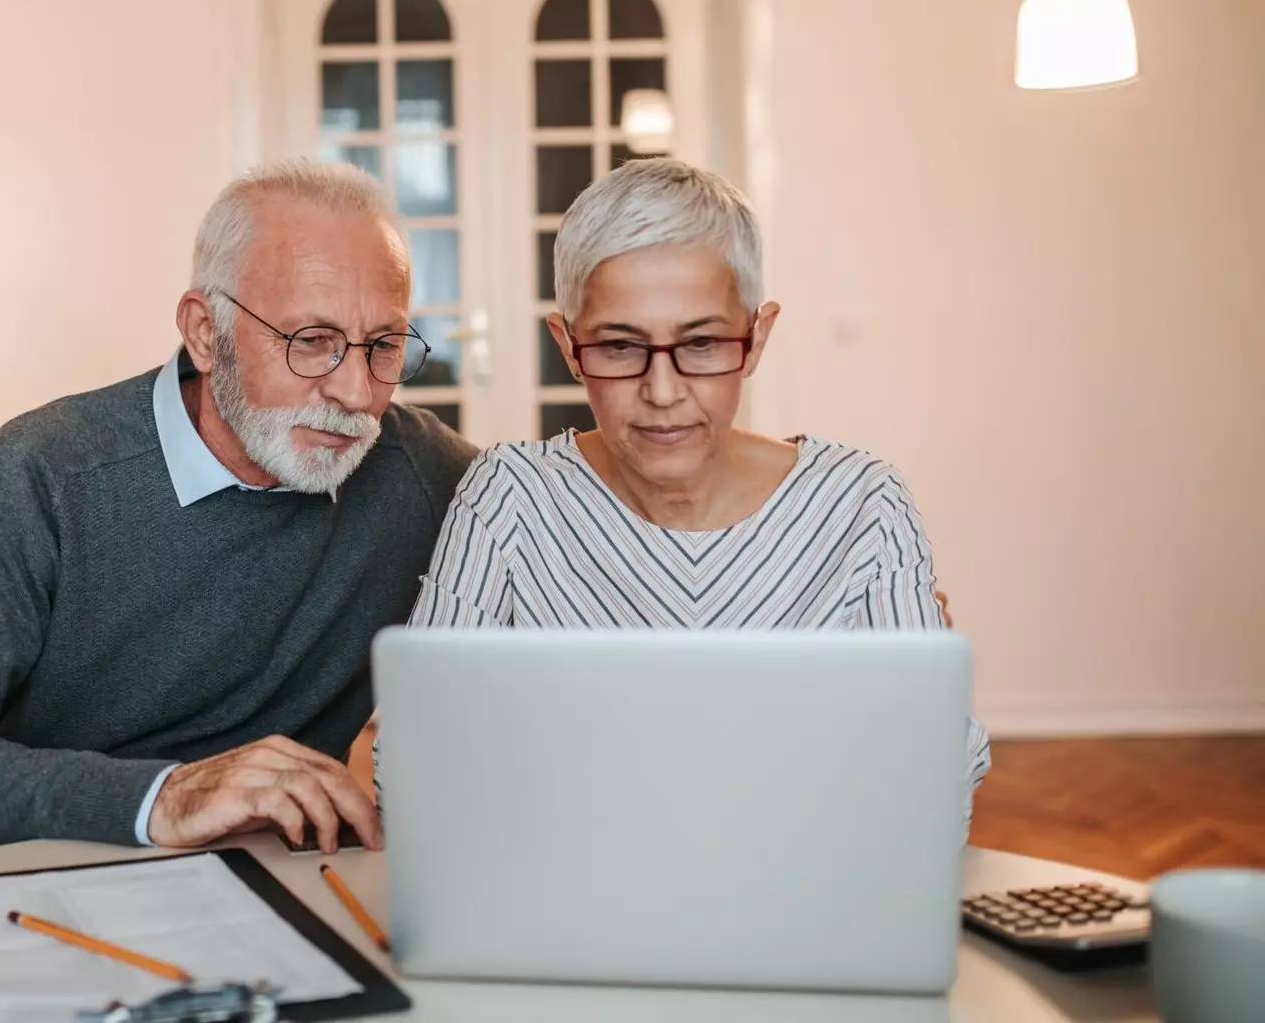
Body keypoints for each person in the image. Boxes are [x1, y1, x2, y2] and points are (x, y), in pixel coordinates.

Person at [0, 160, 477, 858]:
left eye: (382, 346)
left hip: (271, 886)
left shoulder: (422, 472)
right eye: (310, 342)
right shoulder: (49, 472)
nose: (353, 389)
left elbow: (566, 499)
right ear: (204, 330)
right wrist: (162, 797)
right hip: (32, 867)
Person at [378, 158, 990, 821]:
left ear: (756, 338)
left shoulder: (862, 504)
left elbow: (936, 772)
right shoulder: (509, 497)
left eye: (700, 344)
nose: (662, 393)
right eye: (619, 347)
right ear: (568, 343)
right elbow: (415, 760)